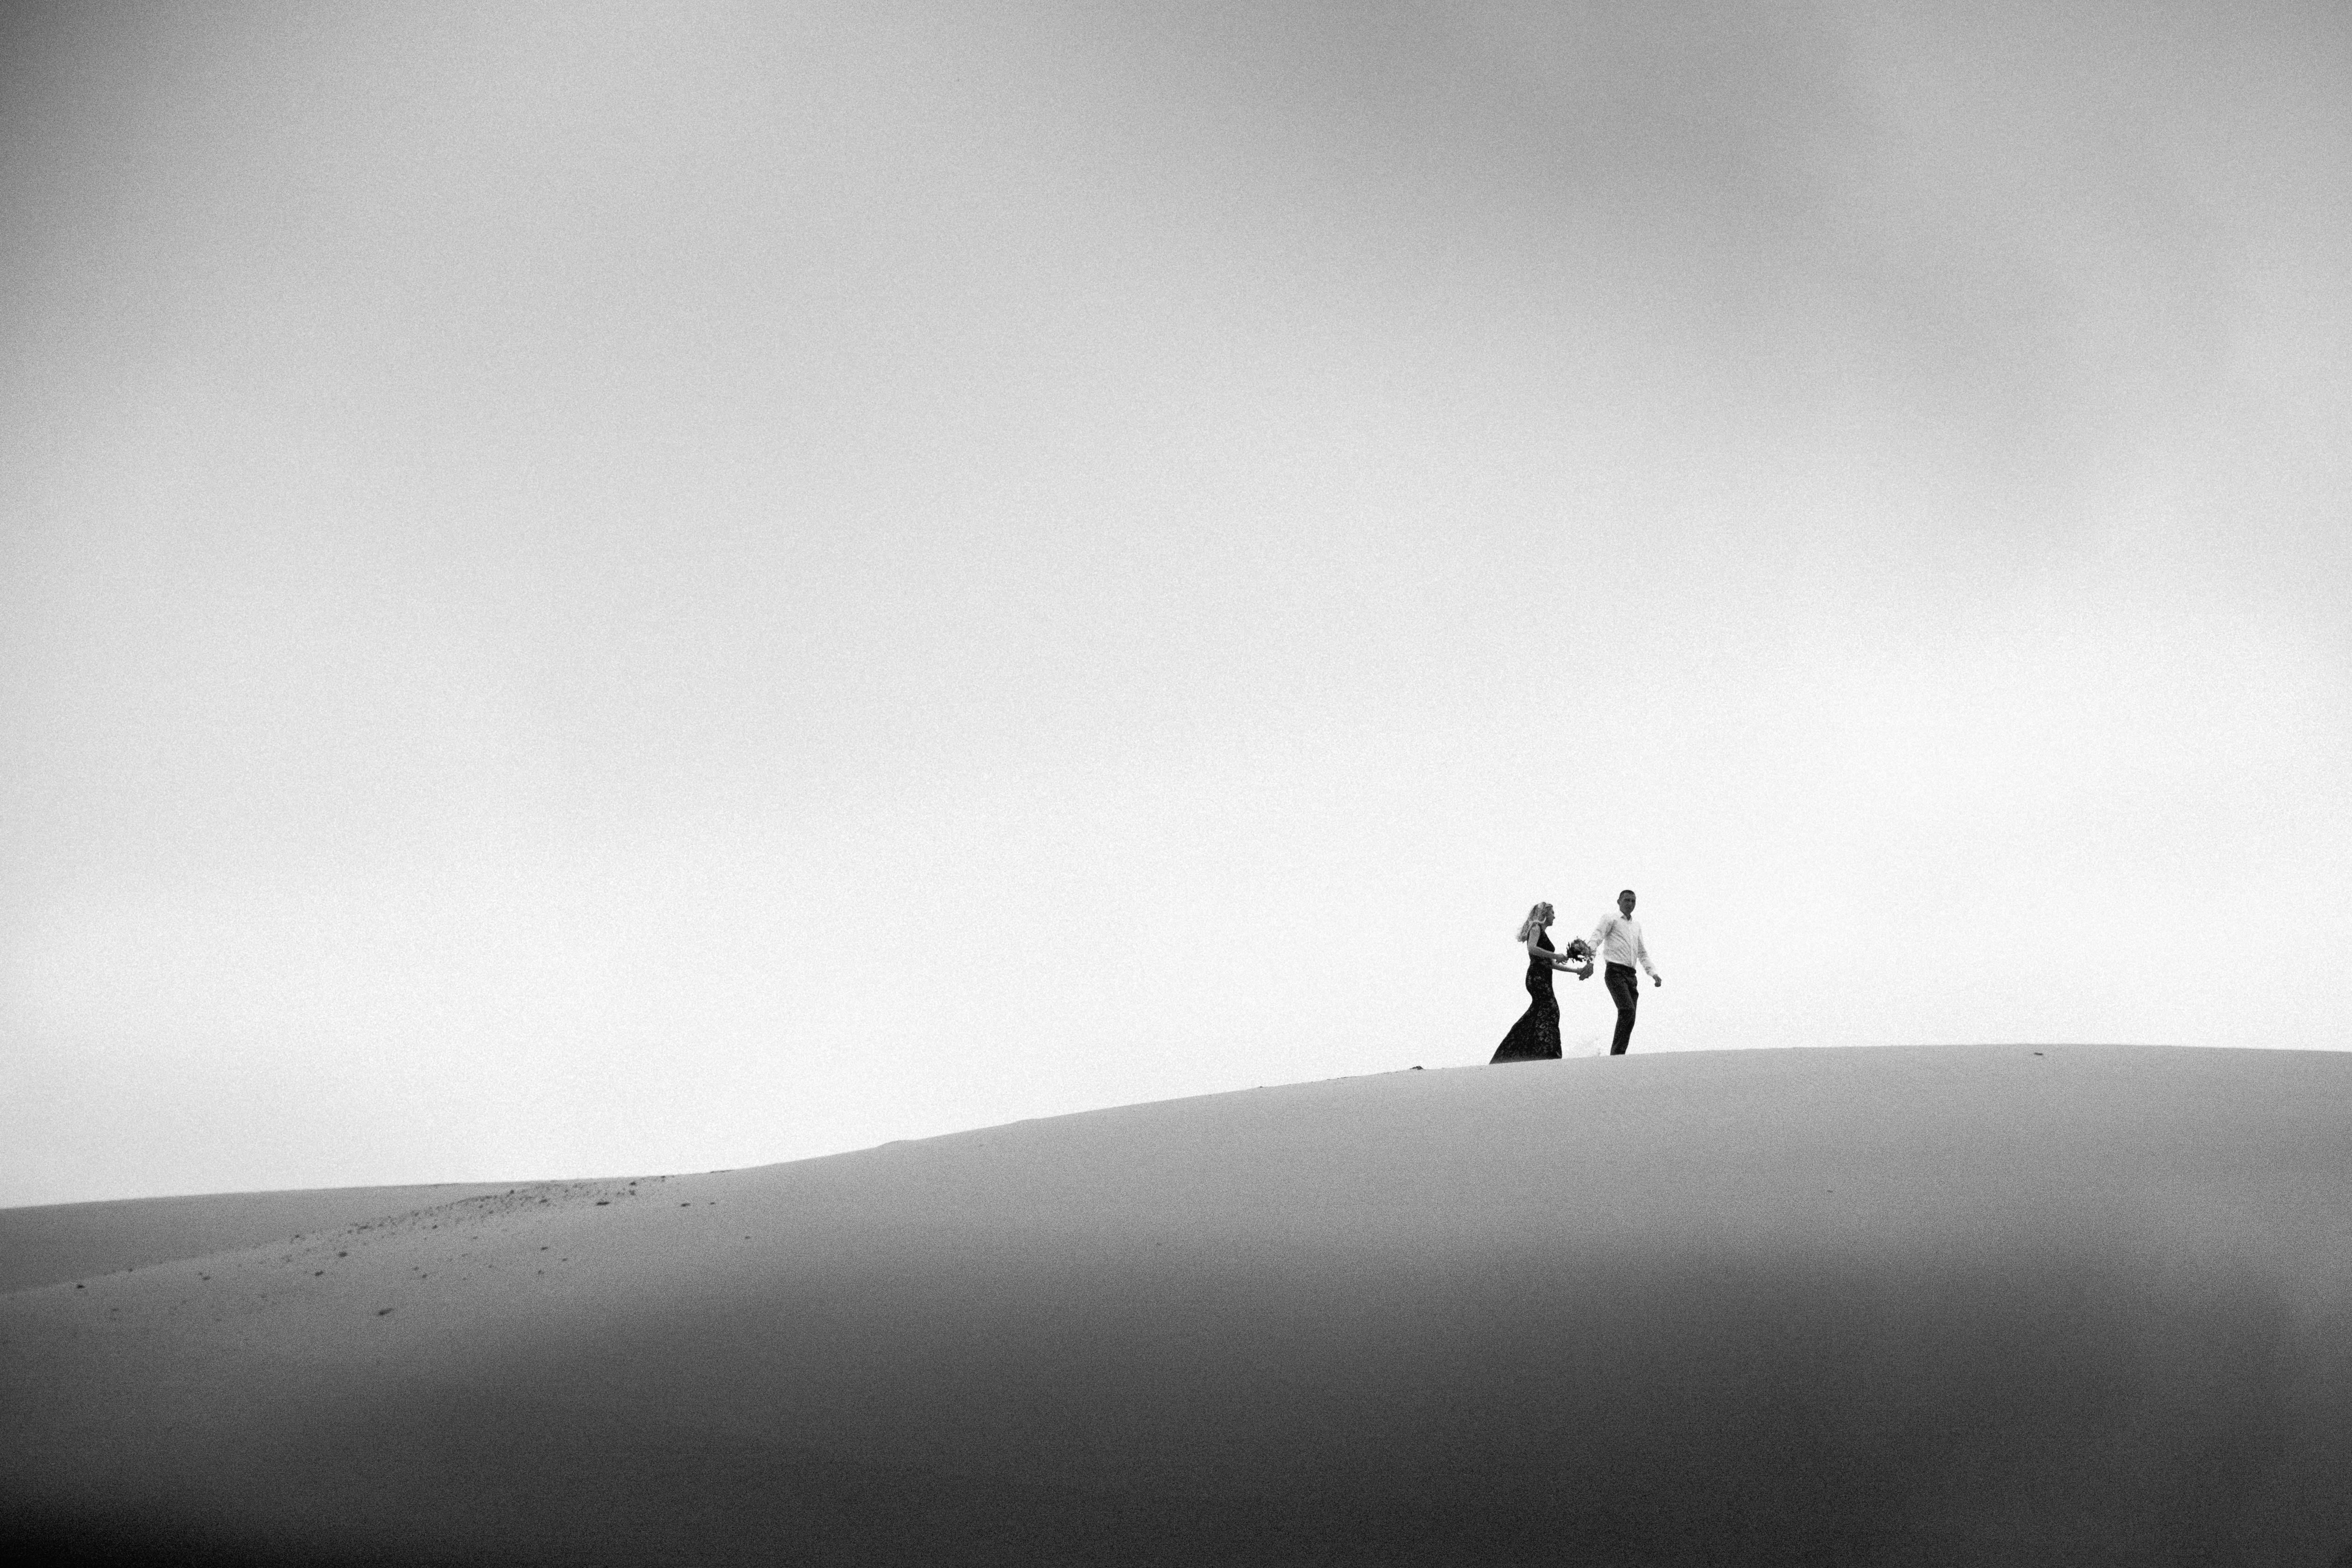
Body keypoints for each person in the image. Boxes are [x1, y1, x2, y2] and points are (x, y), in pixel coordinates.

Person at [1491, 902, 1593, 1063]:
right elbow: (1532, 949)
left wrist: (1576, 970)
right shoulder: (1536, 928)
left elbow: (1551, 964)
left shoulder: (1543, 933)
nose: (1555, 916)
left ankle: (1518, 1051)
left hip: (1544, 977)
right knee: (1551, 1009)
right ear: (1545, 914)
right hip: (1537, 977)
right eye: (1553, 912)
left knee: (1538, 1012)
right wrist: (1555, 954)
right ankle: (1545, 1050)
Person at [1588, 889, 1662, 1055]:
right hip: (1615, 971)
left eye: (1633, 901)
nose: (1630, 904)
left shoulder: (1636, 926)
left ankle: (1620, 1054)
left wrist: (1653, 973)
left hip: (1631, 975)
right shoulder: (1611, 918)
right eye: (1627, 900)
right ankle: (1617, 1055)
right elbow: (1596, 938)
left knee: (1631, 1016)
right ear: (1619, 901)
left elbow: (1642, 953)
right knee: (1627, 1010)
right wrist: (1590, 962)